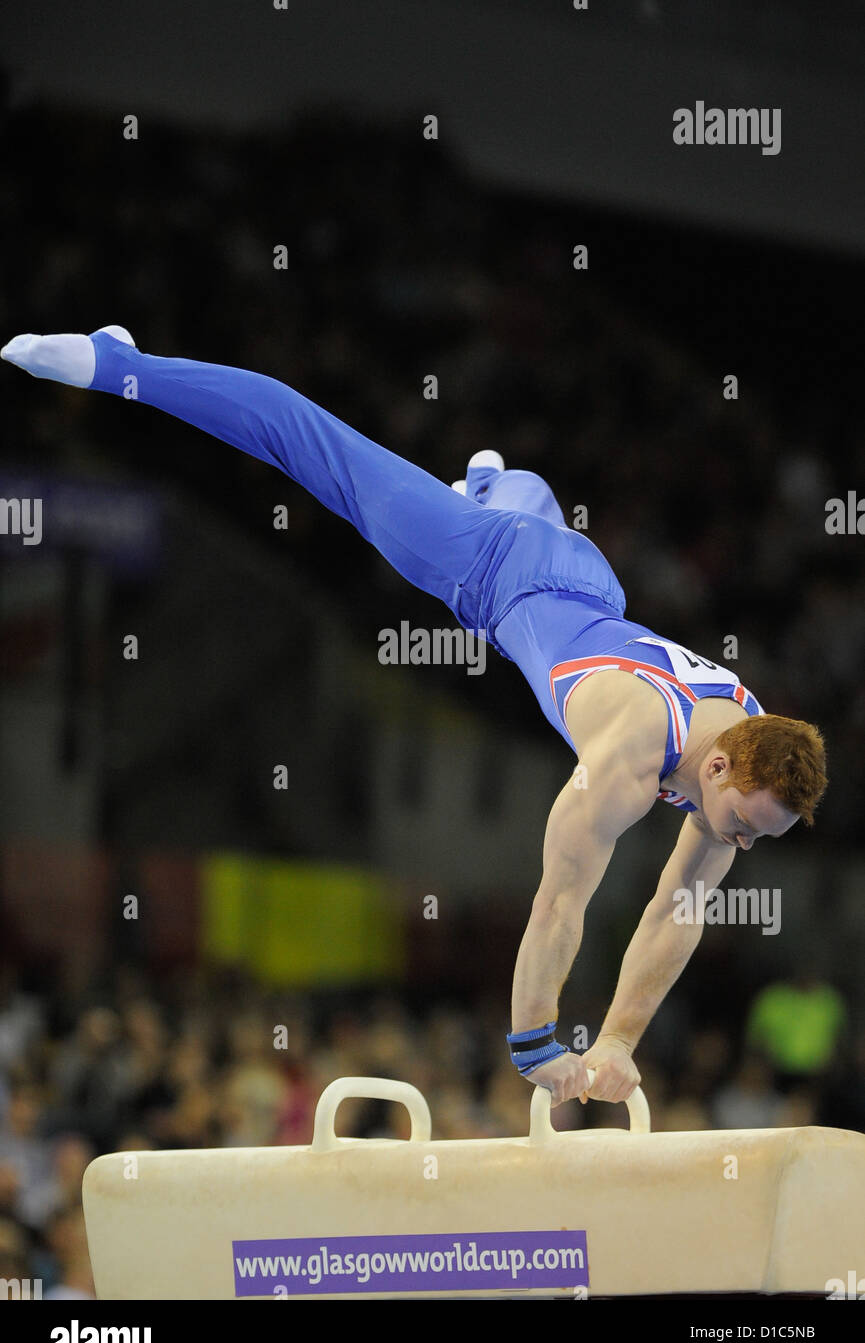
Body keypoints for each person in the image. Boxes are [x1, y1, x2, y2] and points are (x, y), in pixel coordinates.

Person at [2, 327, 827, 1109]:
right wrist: (537, 1048)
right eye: (742, 825)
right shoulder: (625, 758)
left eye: (757, 837)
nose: (740, 843)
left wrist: (616, 1042)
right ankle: (118, 363)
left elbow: (673, 914)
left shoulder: (748, 751)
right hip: (489, 571)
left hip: (587, 583)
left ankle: (487, 482)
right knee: (305, 437)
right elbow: (559, 904)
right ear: (716, 766)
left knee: (522, 496)